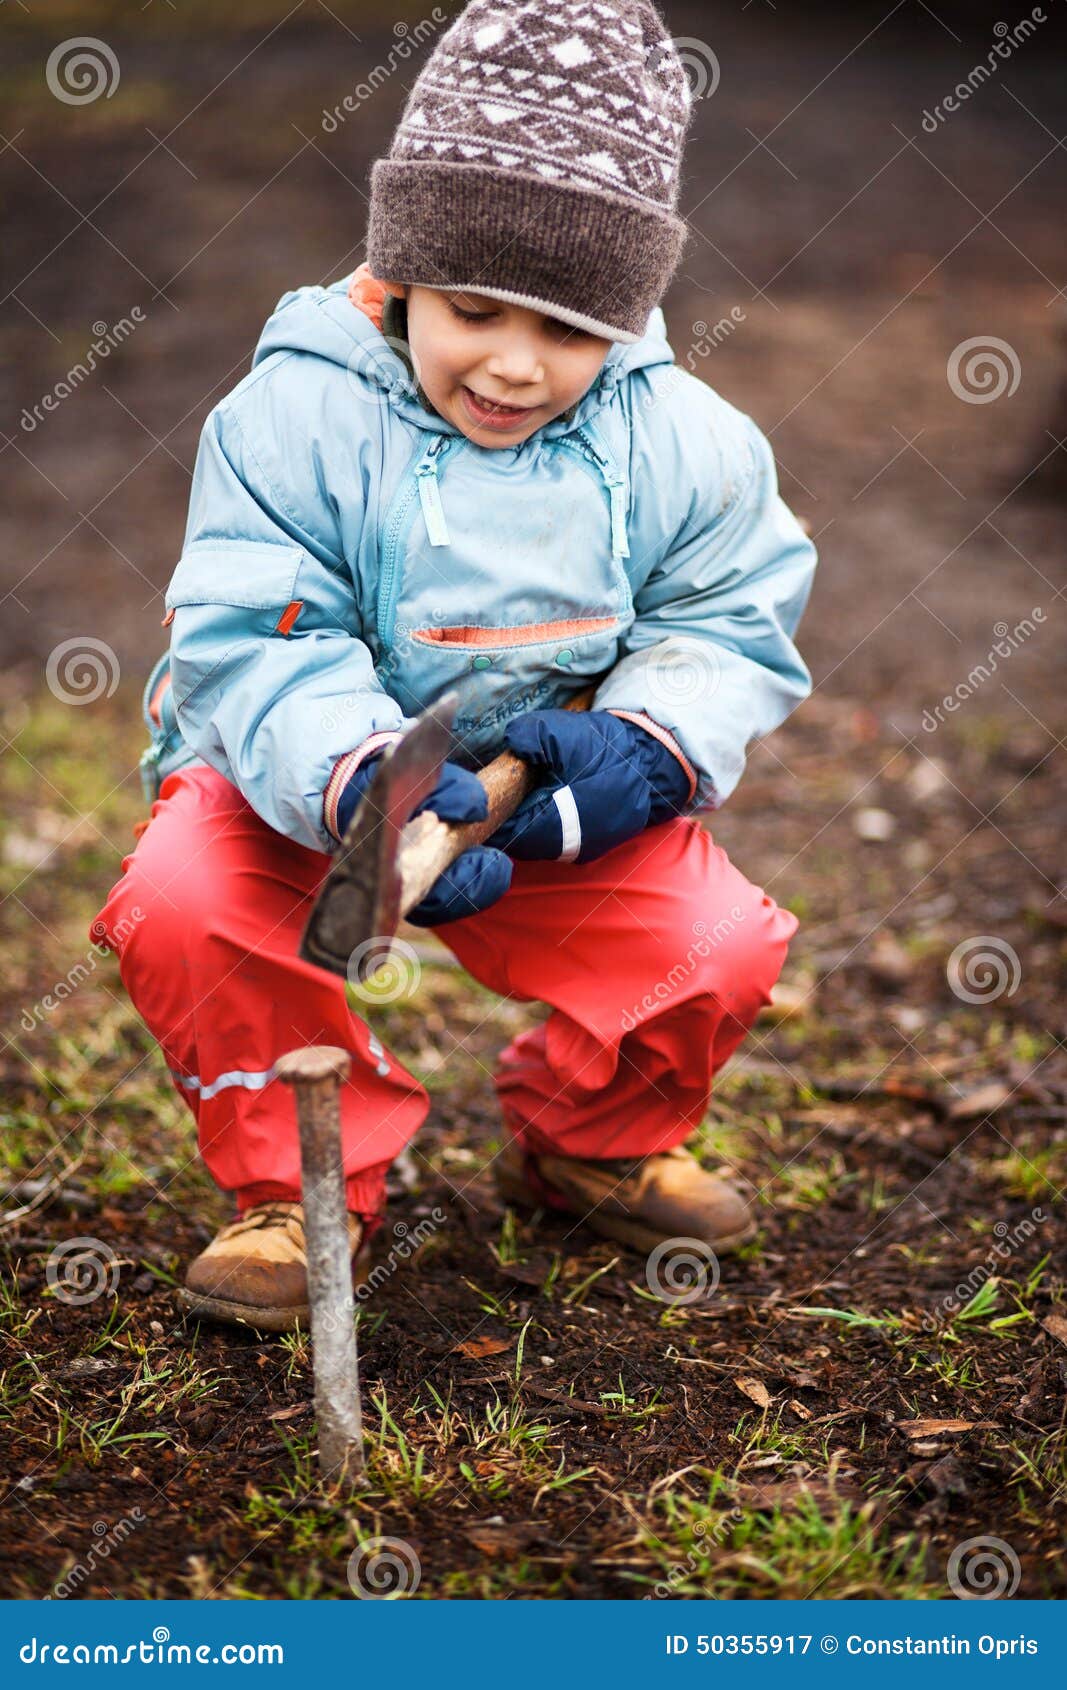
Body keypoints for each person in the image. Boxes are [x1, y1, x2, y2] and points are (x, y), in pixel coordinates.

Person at [91, 0, 816, 1333]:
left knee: (711, 944)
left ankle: (591, 1136)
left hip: (535, 804)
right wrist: (364, 777)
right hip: (310, 791)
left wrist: (648, 743)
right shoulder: (293, 414)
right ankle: (301, 1184)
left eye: (574, 329)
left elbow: (728, 610)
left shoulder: (681, 441)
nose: (519, 365)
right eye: (477, 308)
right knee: (190, 901)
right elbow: (261, 634)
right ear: (407, 269)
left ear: (634, 312)